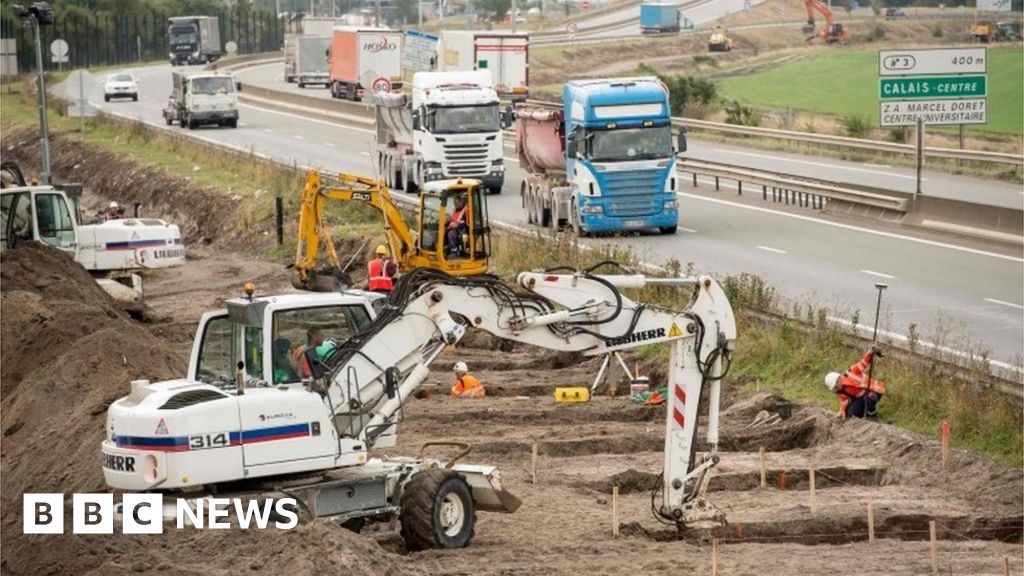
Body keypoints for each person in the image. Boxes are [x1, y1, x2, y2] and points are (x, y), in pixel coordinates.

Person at [825, 345, 887, 420]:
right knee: (850, 413)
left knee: (870, 398)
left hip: (872, 389)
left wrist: (869, 353)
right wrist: (842, 410)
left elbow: (863, 363)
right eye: (834, 388)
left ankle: (872, 416)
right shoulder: (839, 391)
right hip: (860, 398)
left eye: (836, 386)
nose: (836, 388)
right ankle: (865, 413)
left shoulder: (851, 372)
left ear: (839, 379)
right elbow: (844, 401)